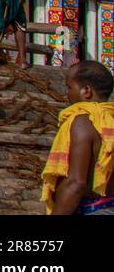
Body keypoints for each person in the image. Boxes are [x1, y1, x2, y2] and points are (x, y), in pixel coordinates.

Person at [41, 61, 114, 215]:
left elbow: (76, 183)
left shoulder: (83, 121)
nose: (67, 93)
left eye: (69, 87)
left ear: (86, 91)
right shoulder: (110, 119)